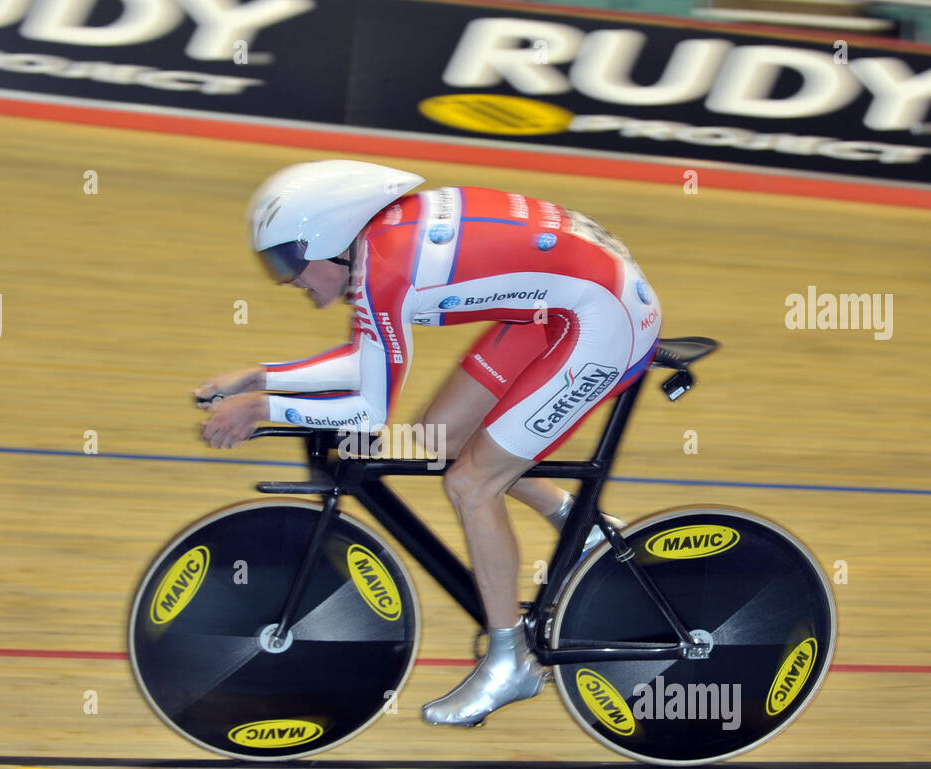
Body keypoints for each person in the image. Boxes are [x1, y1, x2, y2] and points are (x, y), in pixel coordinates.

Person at [197, 159, 662, 727]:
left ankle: (509, 661)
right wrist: (261, 378)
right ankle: (577, 522)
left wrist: (262, 409)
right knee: (435, 438)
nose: (285, 279)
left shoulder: (388, 269)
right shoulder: (380, 245)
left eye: (289, 261)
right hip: (561, 304)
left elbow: (369, 409)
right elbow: (365, 359)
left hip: (605, 319)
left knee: (472, 482)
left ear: (332, 239)